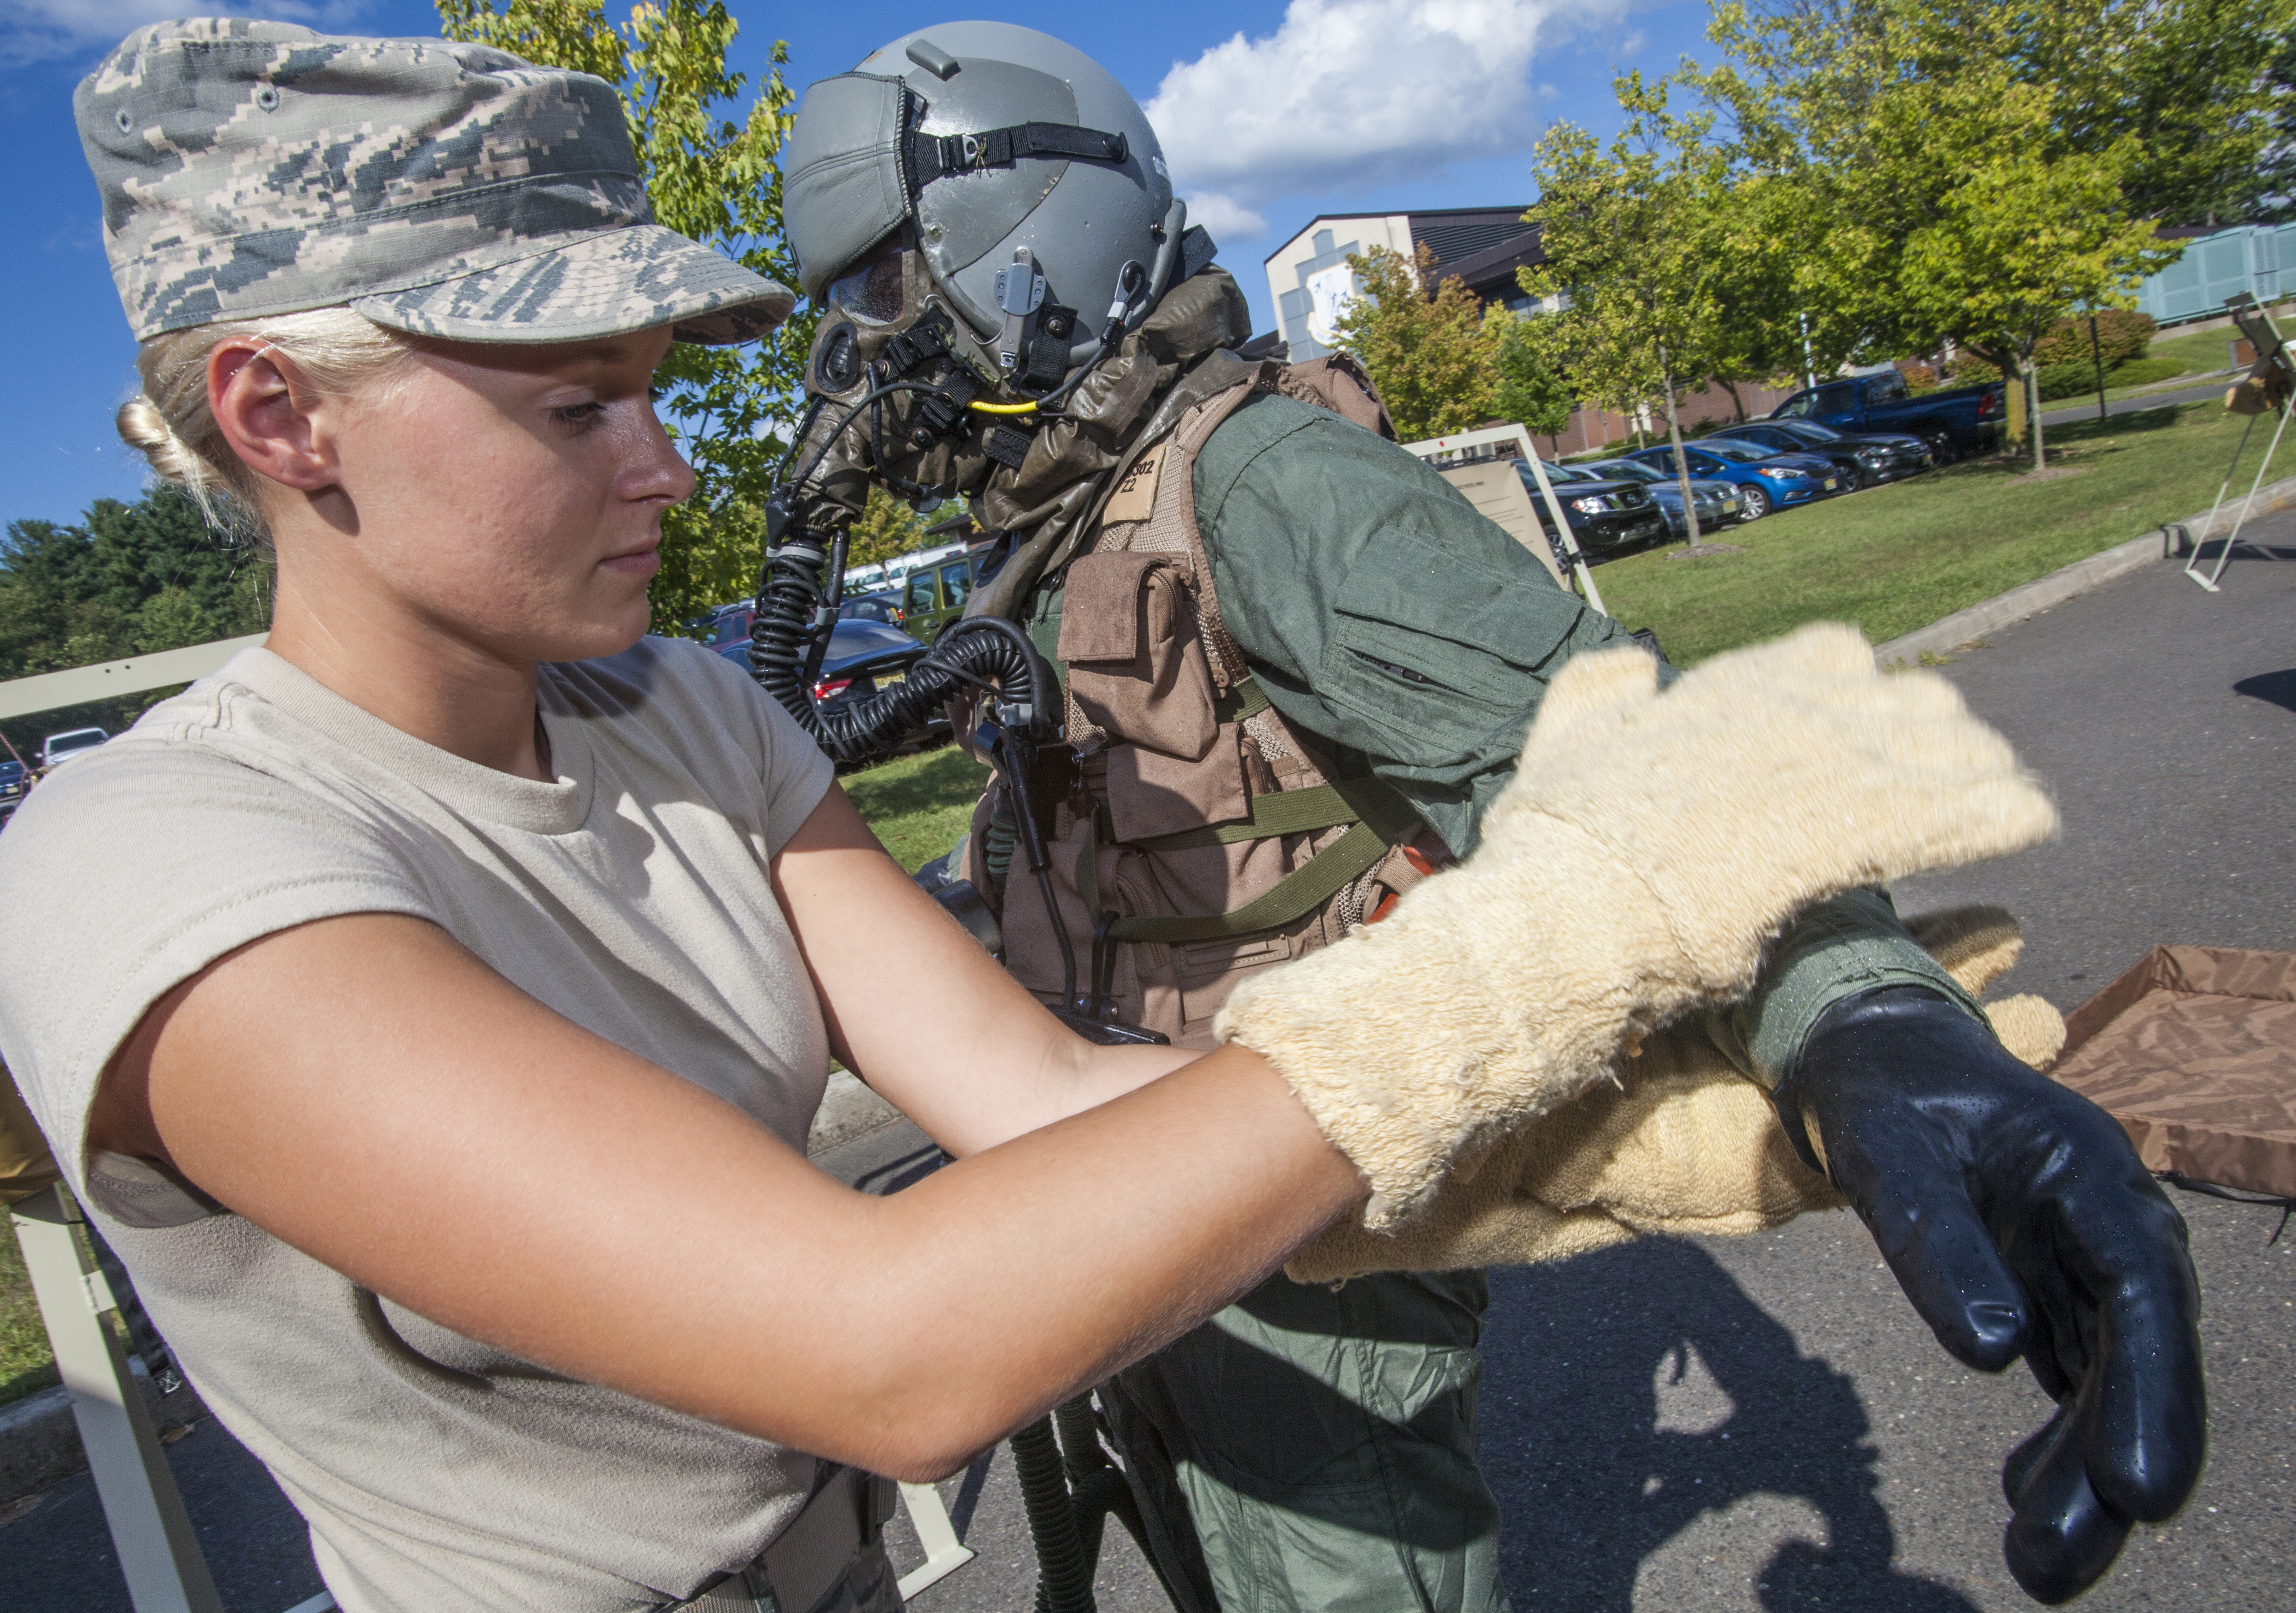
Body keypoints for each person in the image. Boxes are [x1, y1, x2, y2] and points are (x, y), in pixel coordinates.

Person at [765, 22, 2206, 1611]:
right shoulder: (1053, 532)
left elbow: (1606, 747)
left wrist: (1864, 1026)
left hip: (1303, 1235)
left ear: (1030, 239)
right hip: (1138, 1214)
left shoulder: (1259, 481)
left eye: (883, 291)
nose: (858, 357)